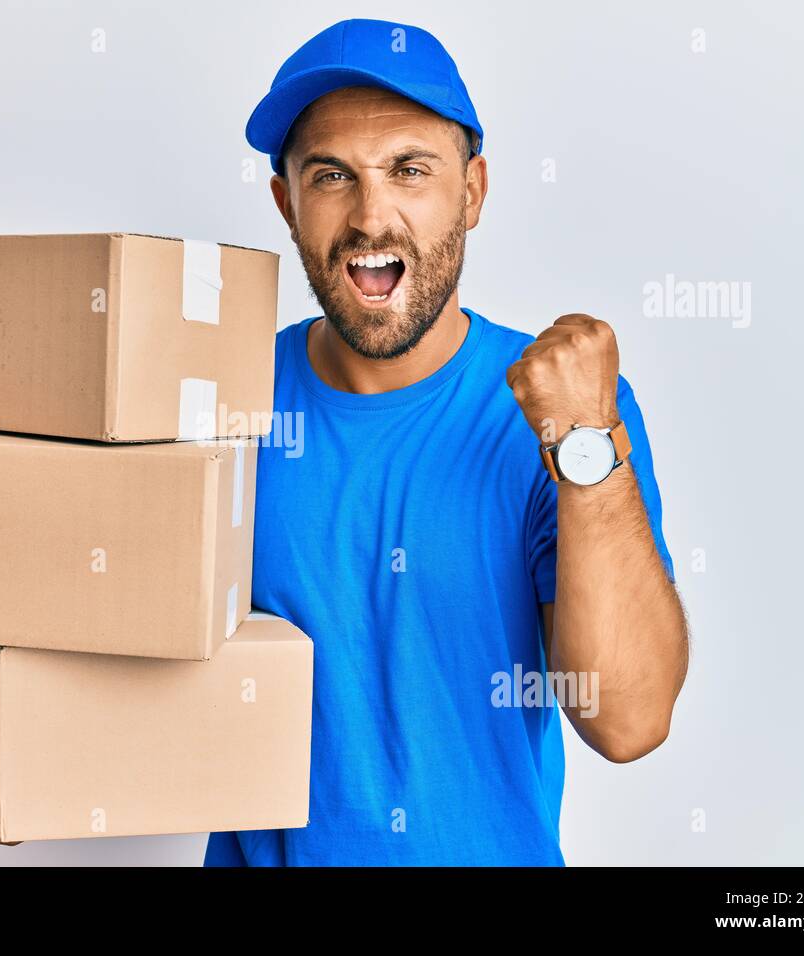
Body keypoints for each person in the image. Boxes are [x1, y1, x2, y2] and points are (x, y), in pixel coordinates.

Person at [201, 17, 689, 865]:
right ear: (286, 203)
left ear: (472, 191)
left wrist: (584, 442)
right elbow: (75, 571)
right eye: (331, 176)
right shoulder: (218, 397)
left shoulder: (565, 416)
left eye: (409, 170)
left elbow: (629, 719)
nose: (370, 216)